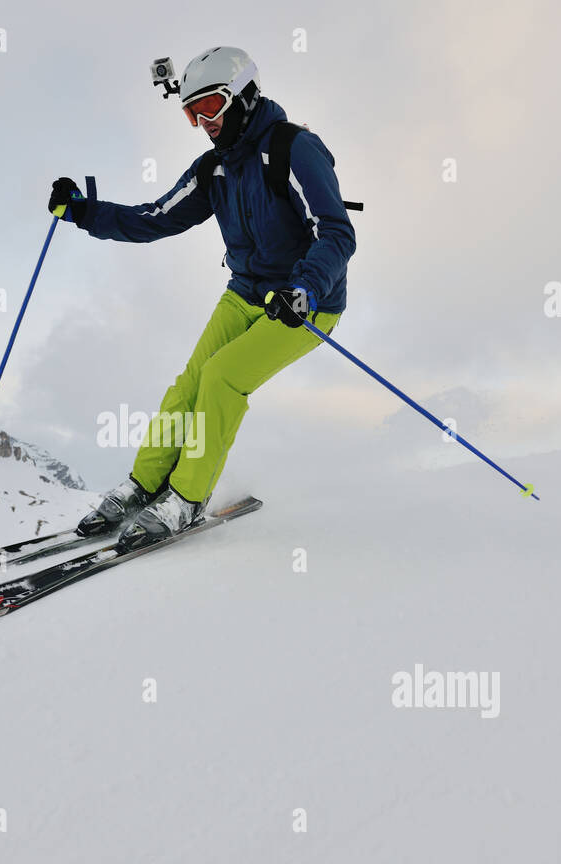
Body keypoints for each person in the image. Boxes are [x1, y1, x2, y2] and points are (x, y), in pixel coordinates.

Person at [48, 46, 356, 549]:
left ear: (243, 96)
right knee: (190, 383)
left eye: (209, 107)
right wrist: (83, 211)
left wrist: (303, 289)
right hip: (246, 292)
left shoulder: (294, 148)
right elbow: (155, 218)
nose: (201, 122)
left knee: (222, 378)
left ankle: (187, 498)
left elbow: (337, 233)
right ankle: (143, 486)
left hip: (307, 303)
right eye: (191, 112)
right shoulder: (214, 168)